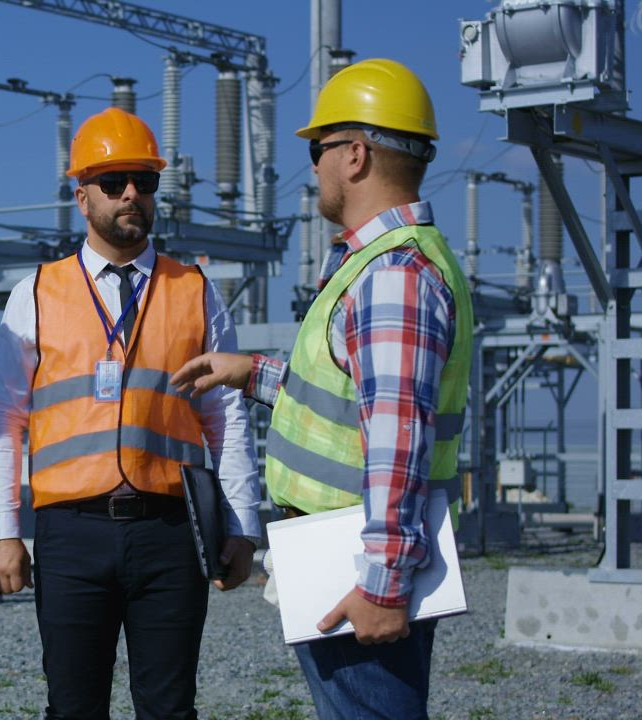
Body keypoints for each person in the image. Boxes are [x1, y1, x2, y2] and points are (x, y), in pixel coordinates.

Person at [171, 58, 474, 720]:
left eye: (319, 149)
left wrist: (384, 585)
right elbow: (349, 397)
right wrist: (251, 372)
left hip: (355, 560)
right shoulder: (385, 265)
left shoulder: (393, 274)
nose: (312, 168)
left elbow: (399, 436)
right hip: (342, 547)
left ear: (356, 155)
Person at [0, 106, 262, 719]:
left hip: (171, 534)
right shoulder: (36, 292)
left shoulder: (194, 290)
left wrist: (243, 524)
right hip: (70, 536)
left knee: (170, 709)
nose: (131, 194)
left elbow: (228, 418)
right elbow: (3, 420)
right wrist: (3, 533)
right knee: (73, 708)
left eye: (144, 181)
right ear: (81, 196)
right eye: (113, 183)